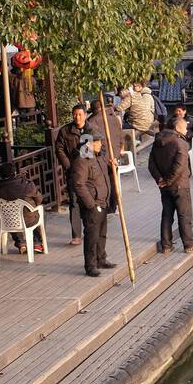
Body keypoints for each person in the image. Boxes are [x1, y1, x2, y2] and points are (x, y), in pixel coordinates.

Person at [148, 119, 193, 254]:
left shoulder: (158, 141)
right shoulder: (180, 142)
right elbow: (180, 165)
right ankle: (189, 245)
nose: (186, 130)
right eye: (184, 127)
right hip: (179, 184)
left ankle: (166, 245)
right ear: (177, 127)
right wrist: (168, 180)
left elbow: (151, 163)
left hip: (164, 186)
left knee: (167, 215)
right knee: (184, 215)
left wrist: (160, 179)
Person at [71, 134, 117, 276]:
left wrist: (112, 167)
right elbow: (79, 184)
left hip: (103, 202)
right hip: (92, 204)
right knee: (92, 236)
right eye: (97, 142)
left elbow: (105, 175)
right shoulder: (82, 161)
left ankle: (101, 259)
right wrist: (90, 203)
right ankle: (90, 265)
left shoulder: (99, 158)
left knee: (101, 234)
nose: (100, 144)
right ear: (89, 145)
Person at [0, 160, 44, 255]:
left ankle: (21, 244)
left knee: (10, 216)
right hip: (29, 220)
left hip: (8, 222)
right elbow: (39, 199)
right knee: (34, 213)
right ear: (15, 173)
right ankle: (37, 244)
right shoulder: (26, 184)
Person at [54, 103, 89, 246]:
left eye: (80, 114)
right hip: (72, 172)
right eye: (75, 114)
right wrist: (68, 165)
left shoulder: (91, 129)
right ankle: (76, 235)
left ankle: (90, 230)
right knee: (74, 202)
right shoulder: (65, 131)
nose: (77, 117)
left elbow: (95, 151)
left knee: (88, 202)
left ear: (85, 115)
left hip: (88, 172)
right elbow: (59, 149)